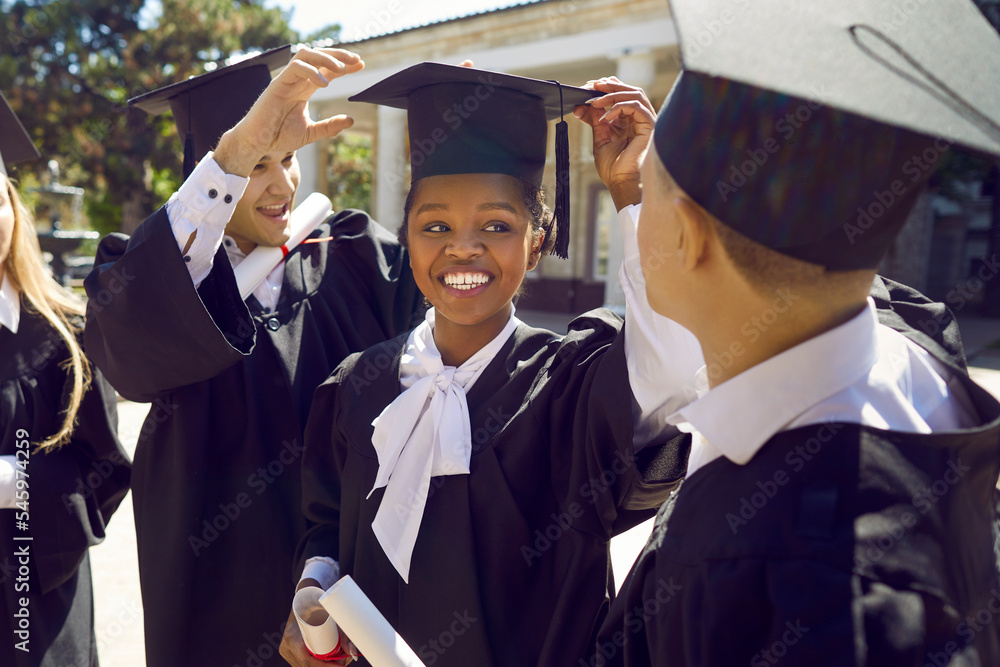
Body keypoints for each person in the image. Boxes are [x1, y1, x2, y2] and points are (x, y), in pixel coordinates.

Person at [581, 0, 1000, 665]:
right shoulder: (914, 343)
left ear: (686, 235)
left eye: (649, 186)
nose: (635, 196)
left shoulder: (804, 583)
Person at [278, 63, 702, 667]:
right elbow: (326, 522)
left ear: (538, 240)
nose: (463, 246)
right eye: (436, 225)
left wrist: (637, 193)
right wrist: (312, 587)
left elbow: (672, 374)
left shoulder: (570, 384)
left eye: (497, 225)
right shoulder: (357, 385)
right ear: (409, 238)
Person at [84, 46, 424, 667]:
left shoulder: (354, 256)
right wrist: (231, 160)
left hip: (337, 582)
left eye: (288, 158)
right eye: (255, 165)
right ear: (208, 173)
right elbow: (126, 361)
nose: (281, 183)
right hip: (211, 585)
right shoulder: (156, 276)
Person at [0, 90, 131, 667]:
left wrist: (11, 481)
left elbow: (103, 469)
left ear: (13, 208)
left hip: (39, 600)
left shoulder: (65, 336)